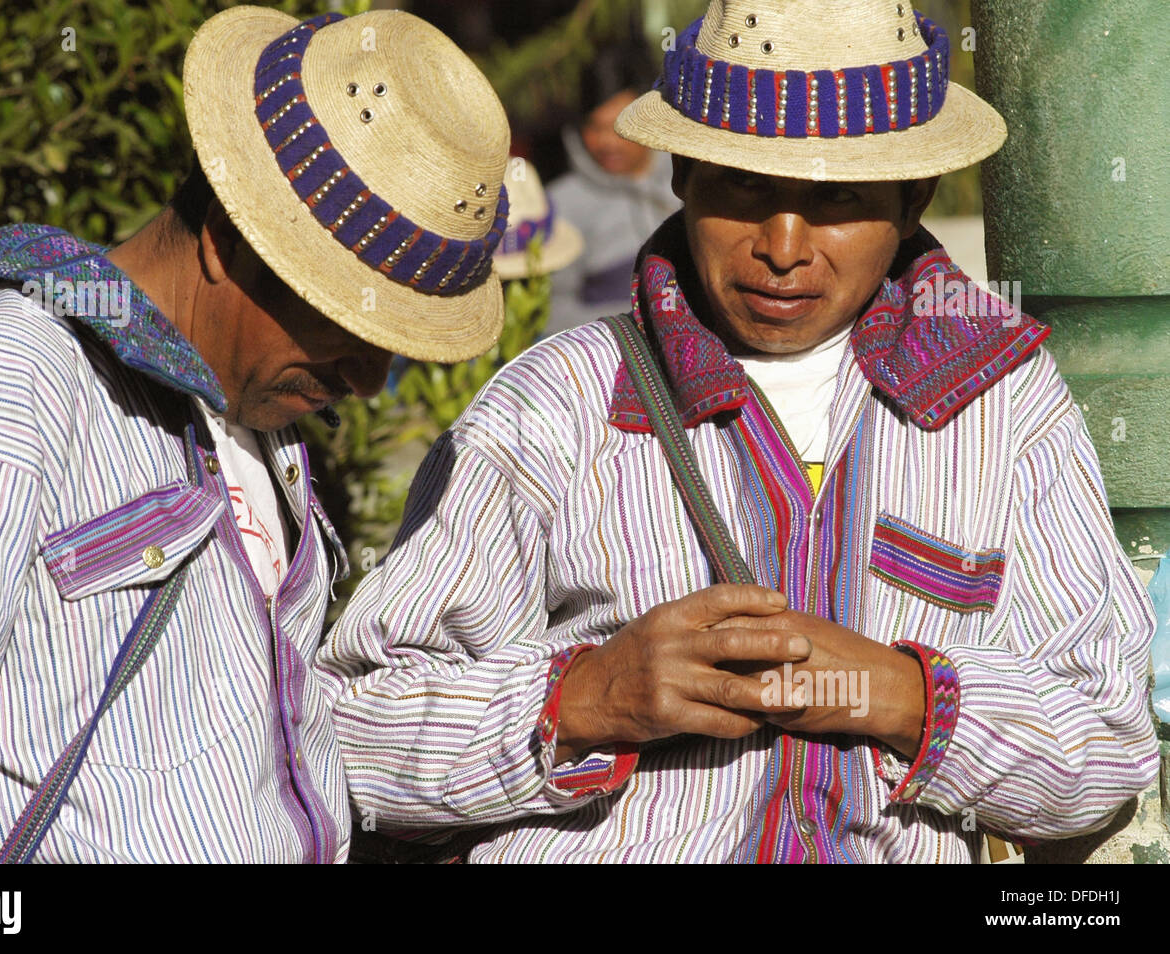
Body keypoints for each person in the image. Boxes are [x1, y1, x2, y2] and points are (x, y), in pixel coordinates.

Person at [318, 0, 1159, 863]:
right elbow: (346, 736)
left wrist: (899, 693)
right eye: (745, 187)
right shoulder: (553, 405)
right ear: (684, 172)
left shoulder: (1002, 405)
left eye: (836, 199)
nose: (783, 247)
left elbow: (1106, 746)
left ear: (914, 202)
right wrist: (588, 697)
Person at [0, 6, 510, 863]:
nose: (361, 384)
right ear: (227, 239)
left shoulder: (261, 426)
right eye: (346, 333)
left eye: (388, 351)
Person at [544, 42, 680, 336]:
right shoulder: (558, 206)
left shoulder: (689, 177)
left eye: (618, 125)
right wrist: (633, 329)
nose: (607, 142)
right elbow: (548, 312)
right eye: (594, 127)